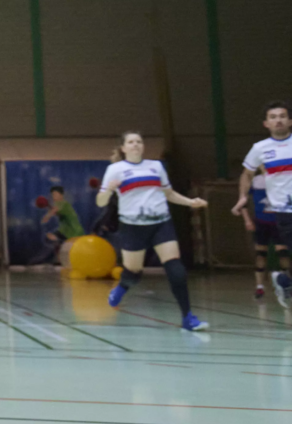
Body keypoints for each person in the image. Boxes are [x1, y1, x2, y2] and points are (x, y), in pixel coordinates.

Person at [98, 130, 209, 331]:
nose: (135, 145)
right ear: (123, 148)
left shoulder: (156, 166)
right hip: (132, 226)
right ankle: (122, 287)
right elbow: (100, 201)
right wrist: (108, 190)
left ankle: (187, 317)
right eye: (131, 142)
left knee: (176, 270)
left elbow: (168, 193)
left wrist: (190, 202)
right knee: (133, 273)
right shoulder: (115, 170)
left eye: (139, 141)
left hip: (160, 223)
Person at [236, 100, 292, 305]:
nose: (278, 120)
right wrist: (243, 196)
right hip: (283, 212)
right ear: (266, 123)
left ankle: (283, 279)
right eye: (273, 117)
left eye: (282, 116)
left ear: (290, 120)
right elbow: (247, 174)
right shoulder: (260, 149)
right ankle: (283, 279)